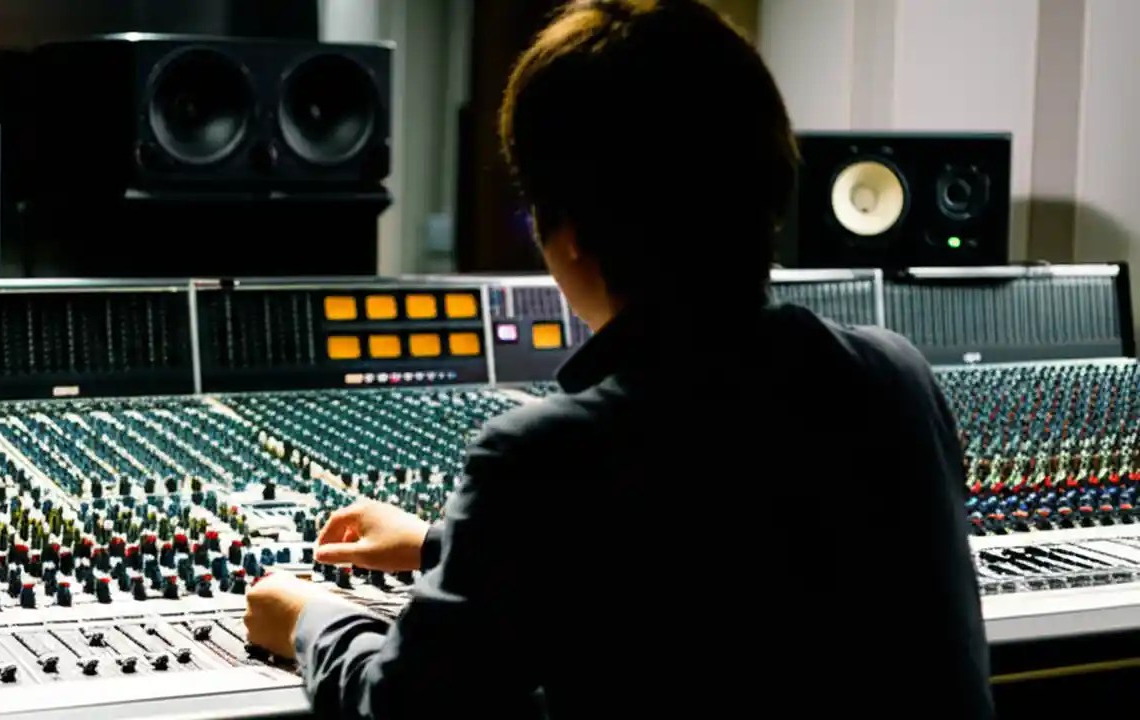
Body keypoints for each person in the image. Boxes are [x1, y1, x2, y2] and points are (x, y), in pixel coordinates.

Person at [244, 0, 994, 717]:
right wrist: (441, 544)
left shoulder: (548, 456)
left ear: (563, 232)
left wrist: (312, 619)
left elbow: (411, 705)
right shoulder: (894, 376)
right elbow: (727, 556)